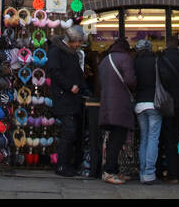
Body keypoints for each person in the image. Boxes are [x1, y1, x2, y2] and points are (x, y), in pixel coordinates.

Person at [50, 25, 89, 178]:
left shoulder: (73, 54)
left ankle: (69, 164)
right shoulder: (56, 51)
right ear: (71, 40)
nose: (79, 44)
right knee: (69, 131)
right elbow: (54, 72)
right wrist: (69, 86)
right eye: (78, 41)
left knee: (72, 132)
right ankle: (61, 165)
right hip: (63, 98)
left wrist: (85, 88)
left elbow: (78, 74)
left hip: (73, 98)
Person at [97, 36, 137, 184]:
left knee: (113, 138)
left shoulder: (105, 60)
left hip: (107, 103)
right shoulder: (125, 59)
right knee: (118, 139)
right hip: (120, 103)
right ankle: (110, 171)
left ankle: (112, 169)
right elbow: (130, 80)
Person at [157, 34, 179, 182]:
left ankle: (172, 174)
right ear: (178, 46)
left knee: (169, 141)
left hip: (167, 103)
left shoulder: (161, 61)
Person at [131, 37, 161, 184]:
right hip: (154, 104)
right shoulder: (156, 61)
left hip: (139, 104)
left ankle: (143, 170)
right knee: (153, 138)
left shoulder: (134, 63)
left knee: (144, 138)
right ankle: (149, 173)